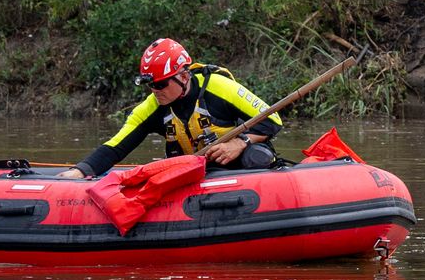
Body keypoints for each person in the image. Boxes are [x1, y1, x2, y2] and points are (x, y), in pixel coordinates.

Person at [57, 39, 281, 179]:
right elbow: (116, 146)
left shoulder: (219, 87)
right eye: (150, 85)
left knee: (257, 157)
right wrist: (81, 170)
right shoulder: (152, 107)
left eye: (161, 84)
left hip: (238, 165)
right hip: (192, 173)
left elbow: (274, 121)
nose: (155, 90)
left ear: (184, 76)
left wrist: (240, 142)